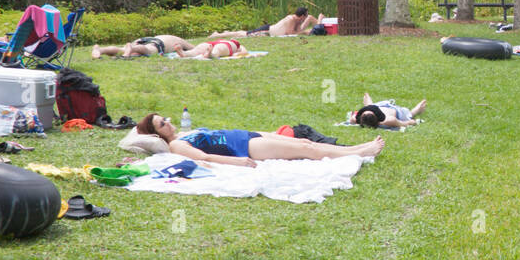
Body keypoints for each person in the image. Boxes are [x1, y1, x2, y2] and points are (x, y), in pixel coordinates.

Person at [136, 114, 384, 167]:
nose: (168, 122)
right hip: (244, 148)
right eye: (162, 124)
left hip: (247, 136)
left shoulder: (181, 134)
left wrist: (263, 132)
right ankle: (360, 153)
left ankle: (356, 148)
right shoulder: (176, 145)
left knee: (303, 143)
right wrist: (239, 162)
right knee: (306, 149)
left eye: (165, 118)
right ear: (157, 134)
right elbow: (204, 157)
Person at [211, 8, 318, 39]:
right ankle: (219, 35)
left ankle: (225, 33)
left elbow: (297, 31)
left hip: (269, 32)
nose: (306, 19)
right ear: (302, 16)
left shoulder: (297, 21)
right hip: (267, 31)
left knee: (243, 33)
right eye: (306, 16)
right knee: (244, 34)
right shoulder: (291, 19)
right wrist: (304, 32)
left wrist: (306, 29)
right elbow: (290, 33)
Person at [348, 93, 428, 128]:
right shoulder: (388, 120)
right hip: (392, 110)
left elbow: (353, 119)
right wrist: (412, 121)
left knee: (371, 106)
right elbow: (408, 123)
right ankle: (416, 110)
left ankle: (369, 103)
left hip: (384, 107)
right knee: (408, 114)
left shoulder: (357, 118)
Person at [92, 34, 201, 58]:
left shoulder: (169, 36)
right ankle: (132, 48)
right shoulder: (180, 41)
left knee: (122, 49)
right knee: (148, 50)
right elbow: (195, 49)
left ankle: (100, 50)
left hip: (146, 39)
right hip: (158, 43)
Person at [185, 38, 249, 59]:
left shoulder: (236, 44)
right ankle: (210, 53)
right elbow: (245, 52)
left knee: (195, 51)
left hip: (214, 43)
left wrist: (237, 54)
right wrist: (237, 54)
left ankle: (184, 53)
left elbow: (244, 52)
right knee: (217, 50)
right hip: (224, 45)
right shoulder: (235, 44)